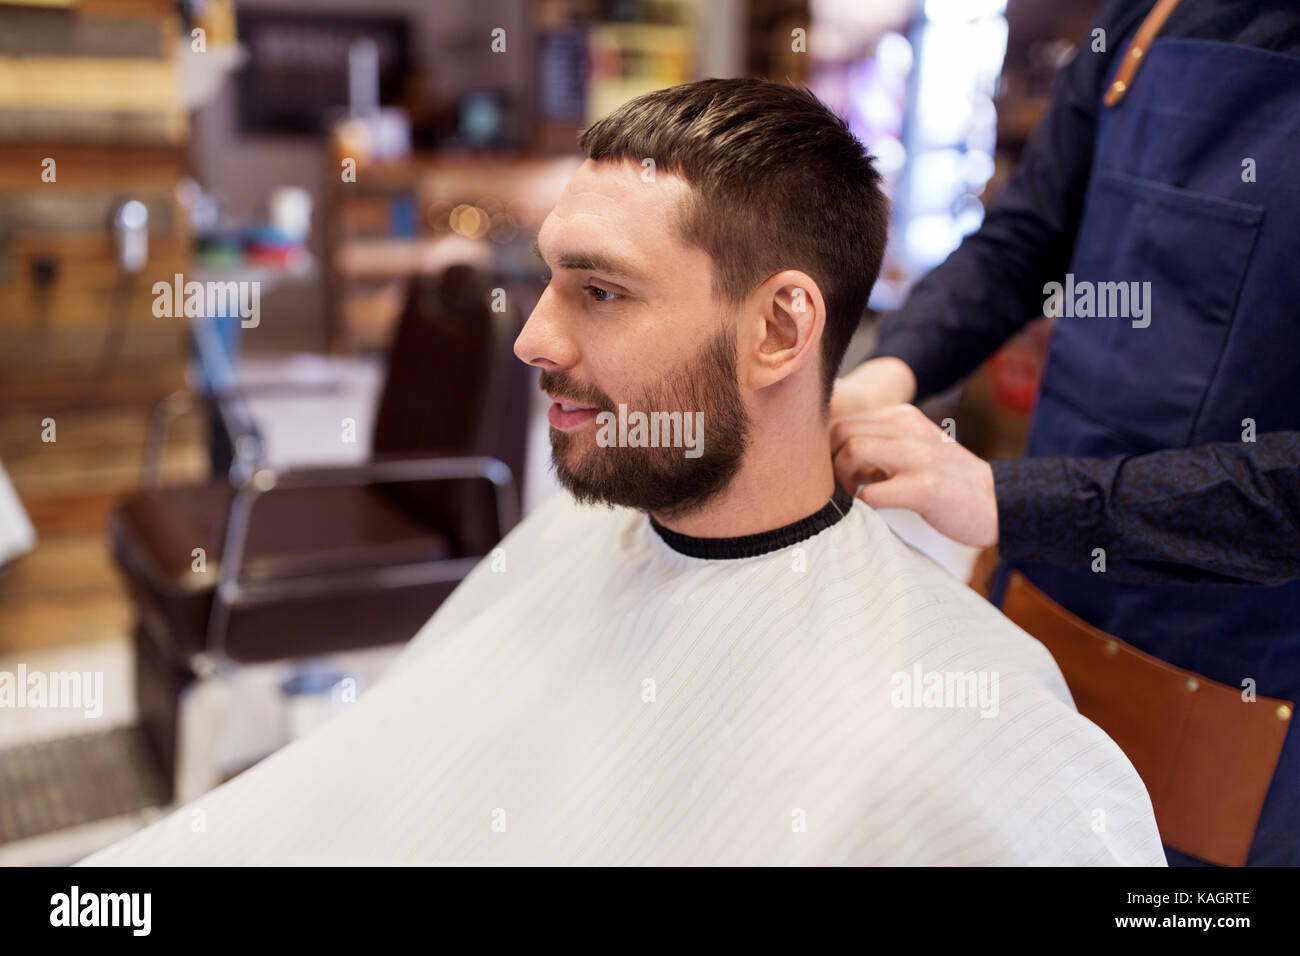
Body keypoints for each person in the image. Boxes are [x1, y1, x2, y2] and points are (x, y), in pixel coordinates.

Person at [80, 78, 1163, 866]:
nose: (532, 340)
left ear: (781, 327)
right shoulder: (584, 535)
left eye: (600, 291)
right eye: (551, 277)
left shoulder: (935, 731)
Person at [830, 0, 1300, 865]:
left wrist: (999, 496)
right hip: (1041, 592)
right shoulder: (1150, 15)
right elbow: (1025, 238)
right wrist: (885, 374)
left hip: (1235, 676)